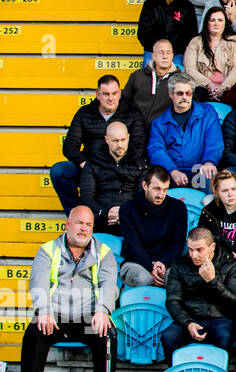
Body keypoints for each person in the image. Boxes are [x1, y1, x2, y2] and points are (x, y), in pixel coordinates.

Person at [19, 207, 117, 372]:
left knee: (106, 333)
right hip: (55, 320)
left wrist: (102, 311)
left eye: (88, 225)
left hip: (88, 320)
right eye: (79, 223)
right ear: (67, 225)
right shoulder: (48, 250)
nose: (84, 228)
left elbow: (109, 285)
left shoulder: (104, 253)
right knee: (35, 331)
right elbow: (38, 283)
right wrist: (45, 311)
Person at [50, 75, 147, 215]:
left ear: (120, 93)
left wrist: (119, 163)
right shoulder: (85, 113)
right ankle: (77, 215)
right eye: (106, 94)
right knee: (59, 171)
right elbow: (70, 145)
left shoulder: (132, 113)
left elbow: (139, 145)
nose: (111, 98)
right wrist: (84, 163)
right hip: (91, 165)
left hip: (121, 165)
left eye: (114, 93)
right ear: (97, 95)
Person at [159, 226, 236, 362]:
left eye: (199, 250)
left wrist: (213, 281)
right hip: (189, 318)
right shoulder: (180, 265)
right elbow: (173, 300)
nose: (194, 255)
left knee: (224, 336)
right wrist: (187, 323)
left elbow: (235, 303)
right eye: (190, 249)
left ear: (212, 247)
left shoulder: (230, 265)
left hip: (219, 318)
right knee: (169, 337)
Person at [119, 166, 189, 289]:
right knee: (144, 278)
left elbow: (177, 244)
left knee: (173, 278)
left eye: (165, 189)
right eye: (156, 189)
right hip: (135, 262)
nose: (161, 195)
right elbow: (133, 245)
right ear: (144, 185)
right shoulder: (128, 209)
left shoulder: (178, 208)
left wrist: (163, 263)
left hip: (167, 262)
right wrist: (151, 267)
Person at [78, 121, 147, 233]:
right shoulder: (93, 162)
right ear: (107, 140)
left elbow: (142, 196)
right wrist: (106, 212)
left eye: (123, 140)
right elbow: (86, 196)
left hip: (130, 216)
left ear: (128, 137)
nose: (120, 145)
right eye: (115, 141)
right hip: (101, 215)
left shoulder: (140, 163)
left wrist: (124, 212)